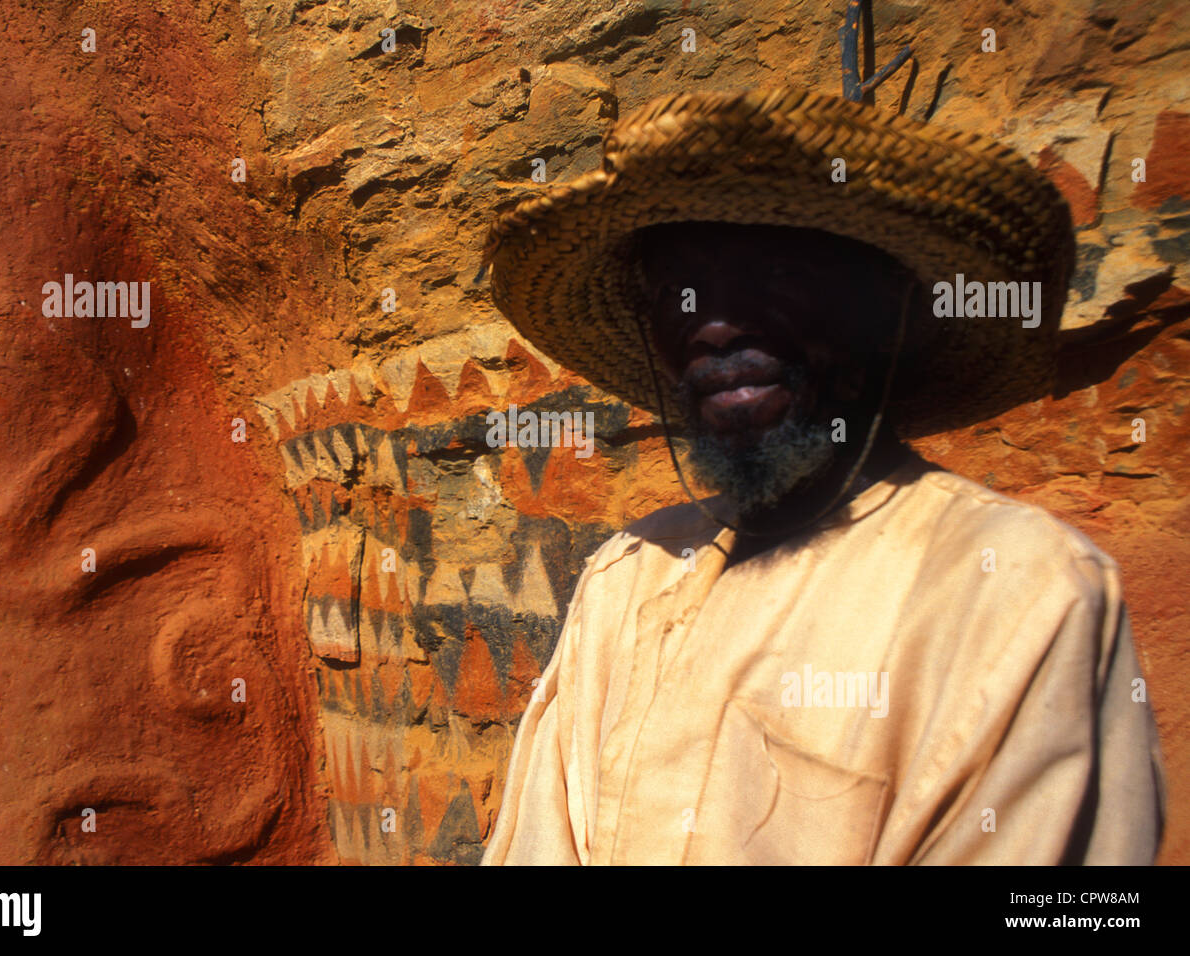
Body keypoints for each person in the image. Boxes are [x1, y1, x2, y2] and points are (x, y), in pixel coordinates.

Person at [475, 87, 1166, 865]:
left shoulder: (1020, 593)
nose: (713, 323)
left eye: (776, 274)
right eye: (676, 292)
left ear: (884, 313)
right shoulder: (625, 579)